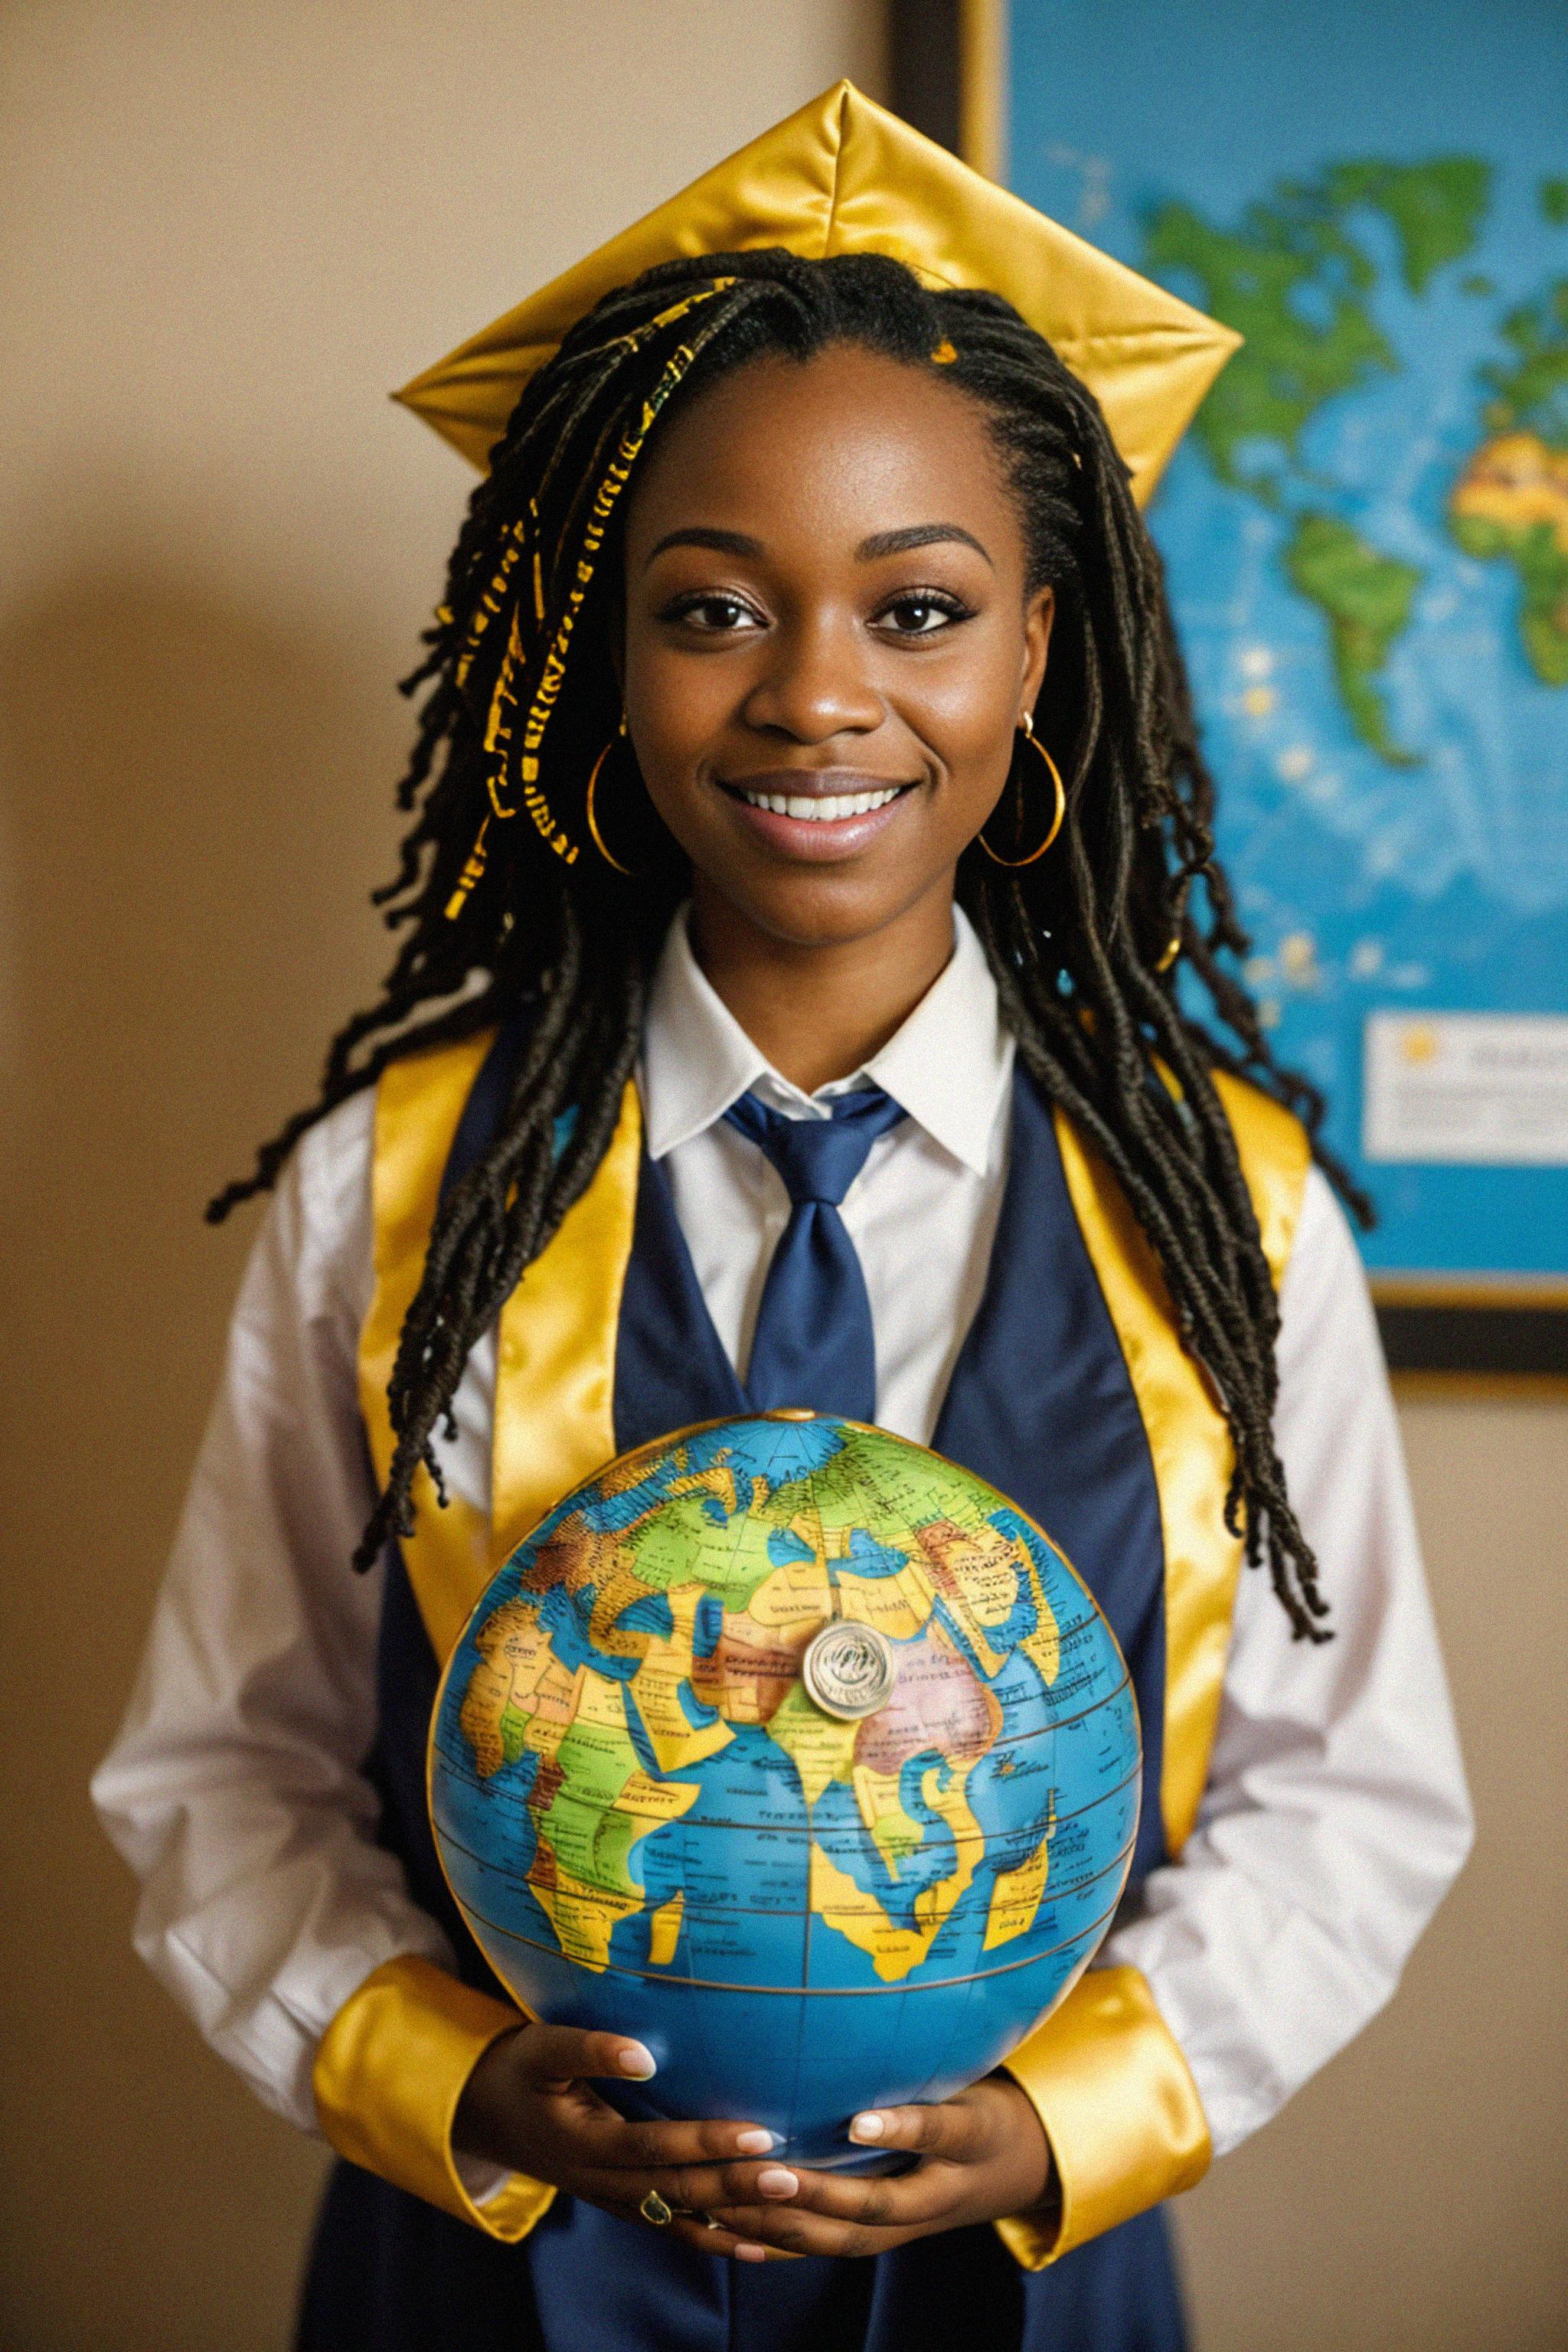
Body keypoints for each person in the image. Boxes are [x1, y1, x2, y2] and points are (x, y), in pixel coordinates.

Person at [93, 83, 1472, 2352]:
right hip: (494, 2283)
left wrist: (1073, 2114)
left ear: (1038, 657)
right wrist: (459, 2078)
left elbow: (1356, 1790)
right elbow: (222, 1770)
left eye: (919, 607)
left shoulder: (1230, 1212)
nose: (818, 692)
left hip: (1030, 2281)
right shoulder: (398, 1192)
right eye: (713, 606)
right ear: (604, 661)